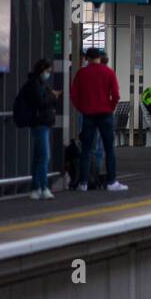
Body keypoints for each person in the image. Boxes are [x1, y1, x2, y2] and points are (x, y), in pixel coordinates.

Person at [70, 47, 127, 191]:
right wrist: (110, 107)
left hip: (88, 114)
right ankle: (111, 182)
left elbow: (74, 95)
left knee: (86, 149)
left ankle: (83, 183)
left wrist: (82, 108)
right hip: (105, 114)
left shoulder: (81, 73)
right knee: (109, 149)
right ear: (99, 58)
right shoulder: (108, 72)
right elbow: (116, 95)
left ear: (87, 59)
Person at [27, 59, 61, 200]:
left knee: (38, 157)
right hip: (40, 123)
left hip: (41, 123)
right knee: (44, 156)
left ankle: (36, 187)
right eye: (47, 71)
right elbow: (40, 102)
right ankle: (43, 187)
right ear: (41, 70)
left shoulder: (39, 84)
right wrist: (53, 96)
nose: (48, 74)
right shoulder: (35, 85)